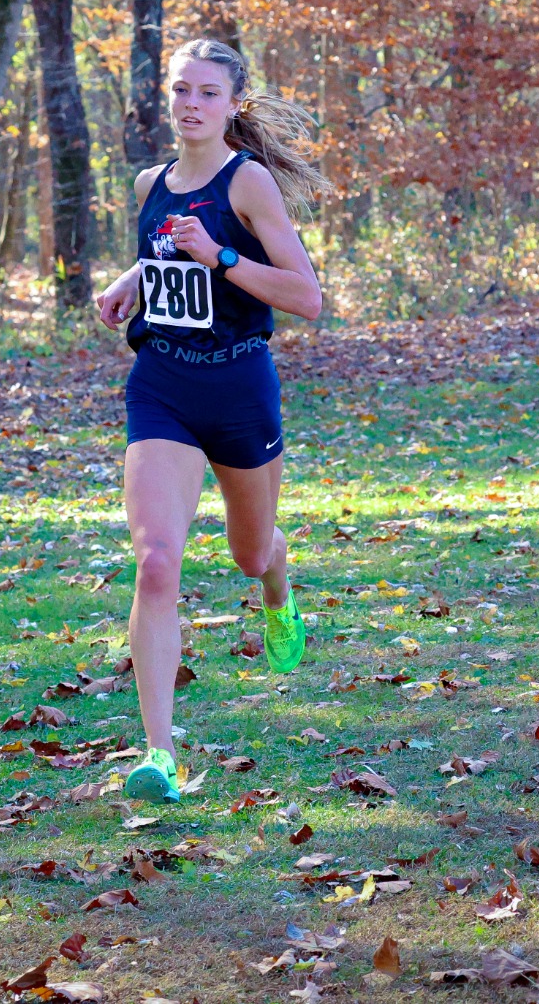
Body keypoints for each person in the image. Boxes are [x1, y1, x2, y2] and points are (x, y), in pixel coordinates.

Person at [93, 39, 329, 803]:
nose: (191, 104)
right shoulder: (148, 184)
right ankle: (159, 753)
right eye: (181, 91)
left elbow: (305, 296)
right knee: (156, 561)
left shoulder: (249, 181)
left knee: (249, 551)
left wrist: (222, 256)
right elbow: (170, 251)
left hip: (239, 387)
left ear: (232, 104)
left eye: (207, 93)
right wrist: (129, 280)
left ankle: (279, 580)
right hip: (162, 385)